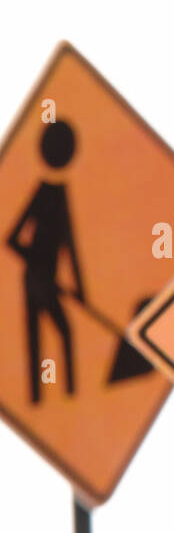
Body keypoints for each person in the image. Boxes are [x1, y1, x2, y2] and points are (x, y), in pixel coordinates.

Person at [7, 120, 83, 404]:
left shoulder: (60, 194)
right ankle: (40, 400)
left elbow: (70, 246)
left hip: (46, 280)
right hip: (34, 281)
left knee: (65, 333)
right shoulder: (43, 192)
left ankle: (71, 395)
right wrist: (36, 262)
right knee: (37, 343)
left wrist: (81, 290)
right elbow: (12, 238)